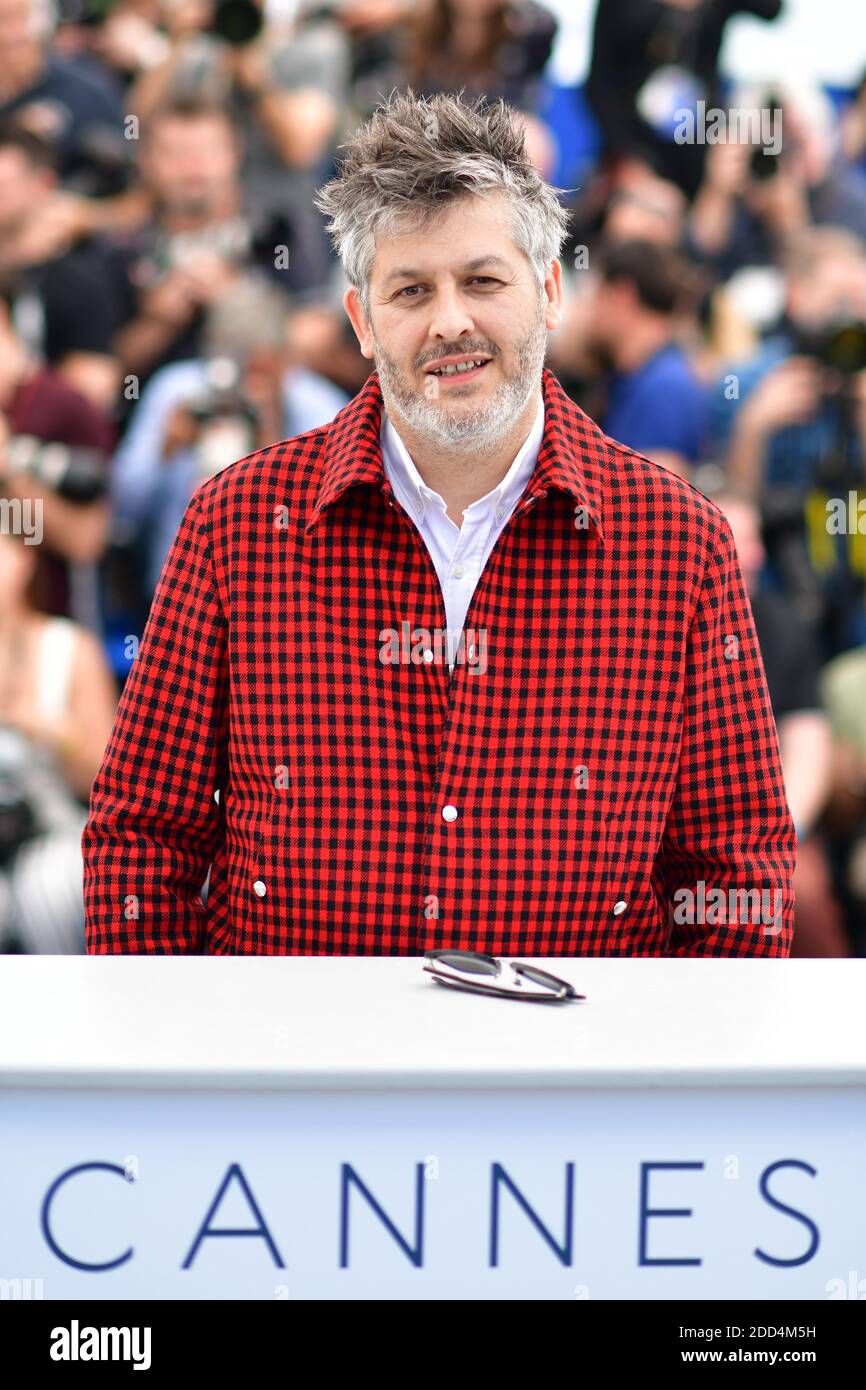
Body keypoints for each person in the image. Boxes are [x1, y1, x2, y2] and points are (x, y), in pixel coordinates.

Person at [82, 90, 796, 956]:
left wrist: (659, 1088)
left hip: (576, 1080)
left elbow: (736, 873)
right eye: (411, 290)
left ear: (550, 291)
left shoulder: (680, 544)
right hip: (296, 1079)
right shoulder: (234, 526)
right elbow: (141, 845)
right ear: (362, 320)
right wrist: (197, 1080)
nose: (450, 320)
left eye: (483, 281)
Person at [0, 528, 117, 952]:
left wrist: (51, 729)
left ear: (23, 558)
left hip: (55, 831)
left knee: (50, 891)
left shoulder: (70, 647)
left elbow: (110, 784)